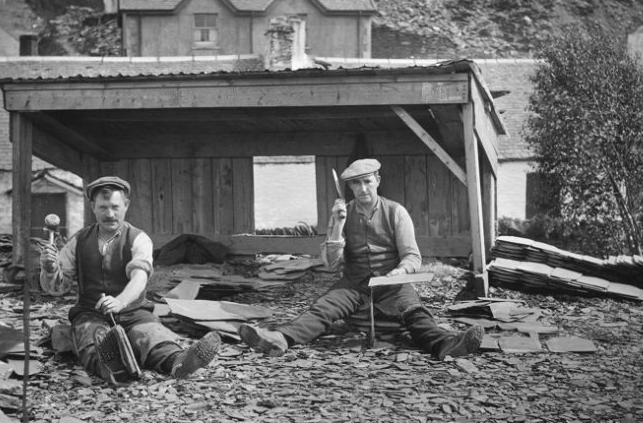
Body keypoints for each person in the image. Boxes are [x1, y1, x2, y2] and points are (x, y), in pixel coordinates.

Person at [239, 158, 484, 360]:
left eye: (367, 181)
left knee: (415, 313)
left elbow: (412, 255)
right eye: (356, 183)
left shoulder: (396, 212)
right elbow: (331, 263)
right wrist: (338, 225)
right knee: (323, 308)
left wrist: (401, 271)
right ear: (350, 187)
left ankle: (445, 345)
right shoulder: (342, 213)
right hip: (354, 284)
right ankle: (280, 339)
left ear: (377, 181)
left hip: (392, 284)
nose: (363, 188)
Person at [40, 176, 221, 384]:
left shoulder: (139, 239)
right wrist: (50, 269)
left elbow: (139, 277)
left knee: (152, 335)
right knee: (91, 337)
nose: (109, 214)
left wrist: (121, 301)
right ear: (92, 207)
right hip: (91, 312)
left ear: (126, 205)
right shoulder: (78, 241)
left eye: (115, 207)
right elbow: (56, 289)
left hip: (134, 312)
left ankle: (179, 363)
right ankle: (110, 367)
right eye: (103, 207)